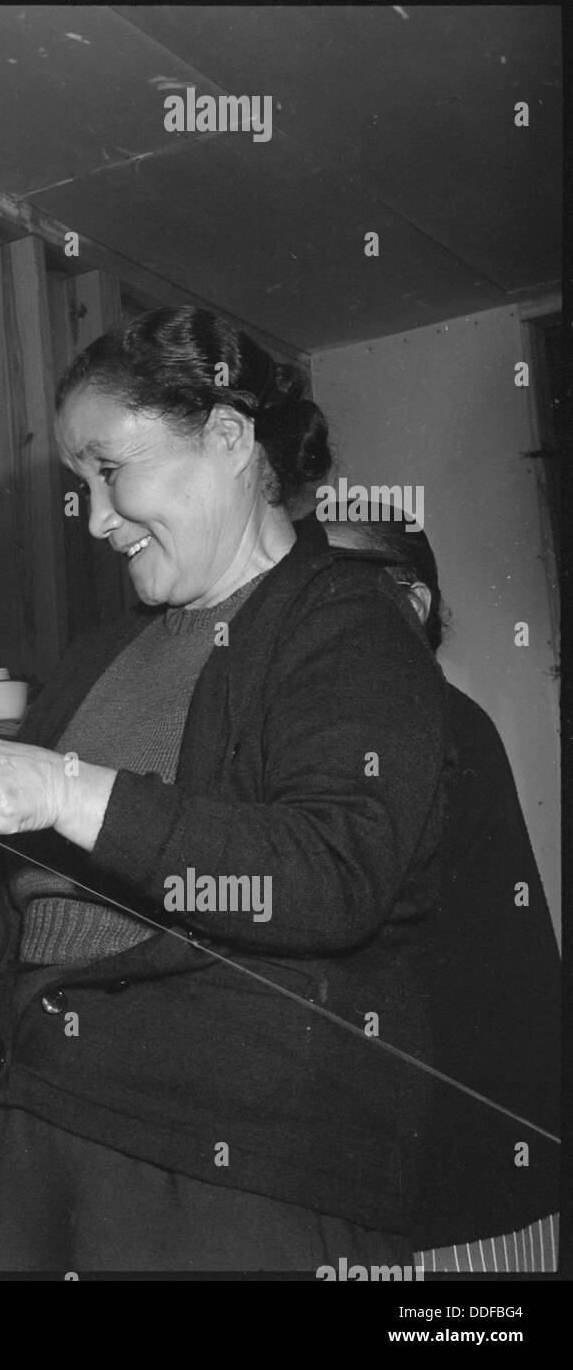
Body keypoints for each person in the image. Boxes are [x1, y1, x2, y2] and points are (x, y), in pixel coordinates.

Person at [0, 306, 449, 1271]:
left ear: (231, 438)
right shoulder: (98, 658)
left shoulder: (348, 625)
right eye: (80, 485)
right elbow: (50, 892)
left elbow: (333, 872)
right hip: (51, 1121)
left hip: (238, 1167)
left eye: (111, 472)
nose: (96, 519)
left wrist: (66, 785)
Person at [312, 510, 560, 1272]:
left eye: (332, 594)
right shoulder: (406, 724)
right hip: (440, 1177)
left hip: (464, 1185)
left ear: (409, 605)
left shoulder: (426, 727)